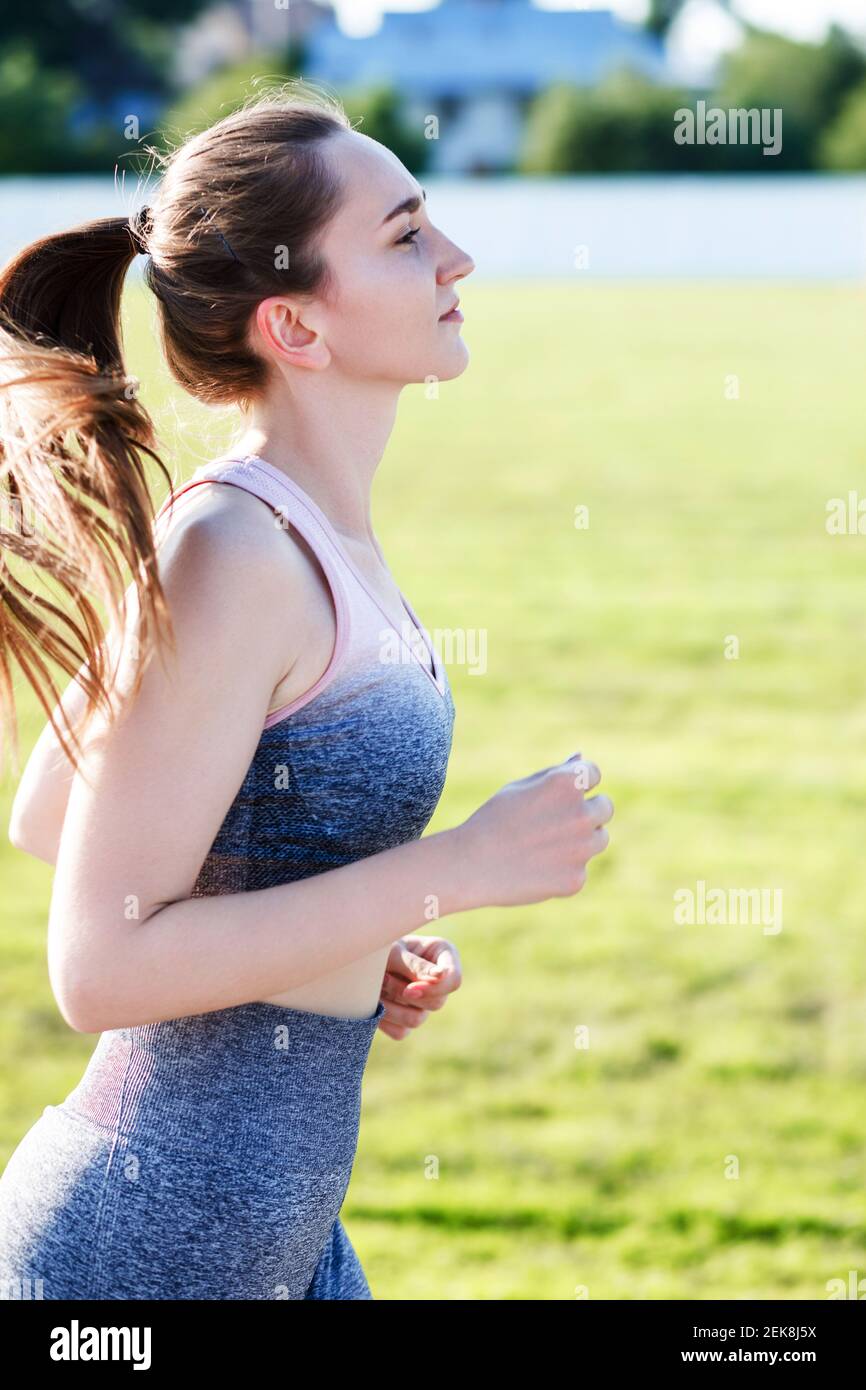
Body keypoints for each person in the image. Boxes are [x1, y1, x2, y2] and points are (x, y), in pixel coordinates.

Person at [0, 84, 614, 1299]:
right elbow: (100, 968)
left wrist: (338, 941)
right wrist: (458, 866)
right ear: (296, 327)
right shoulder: (234, 548)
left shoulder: (302, 534)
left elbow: (56, 814)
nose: (456, 258)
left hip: (282, 1255)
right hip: (138, 1264)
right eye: (402, 237)